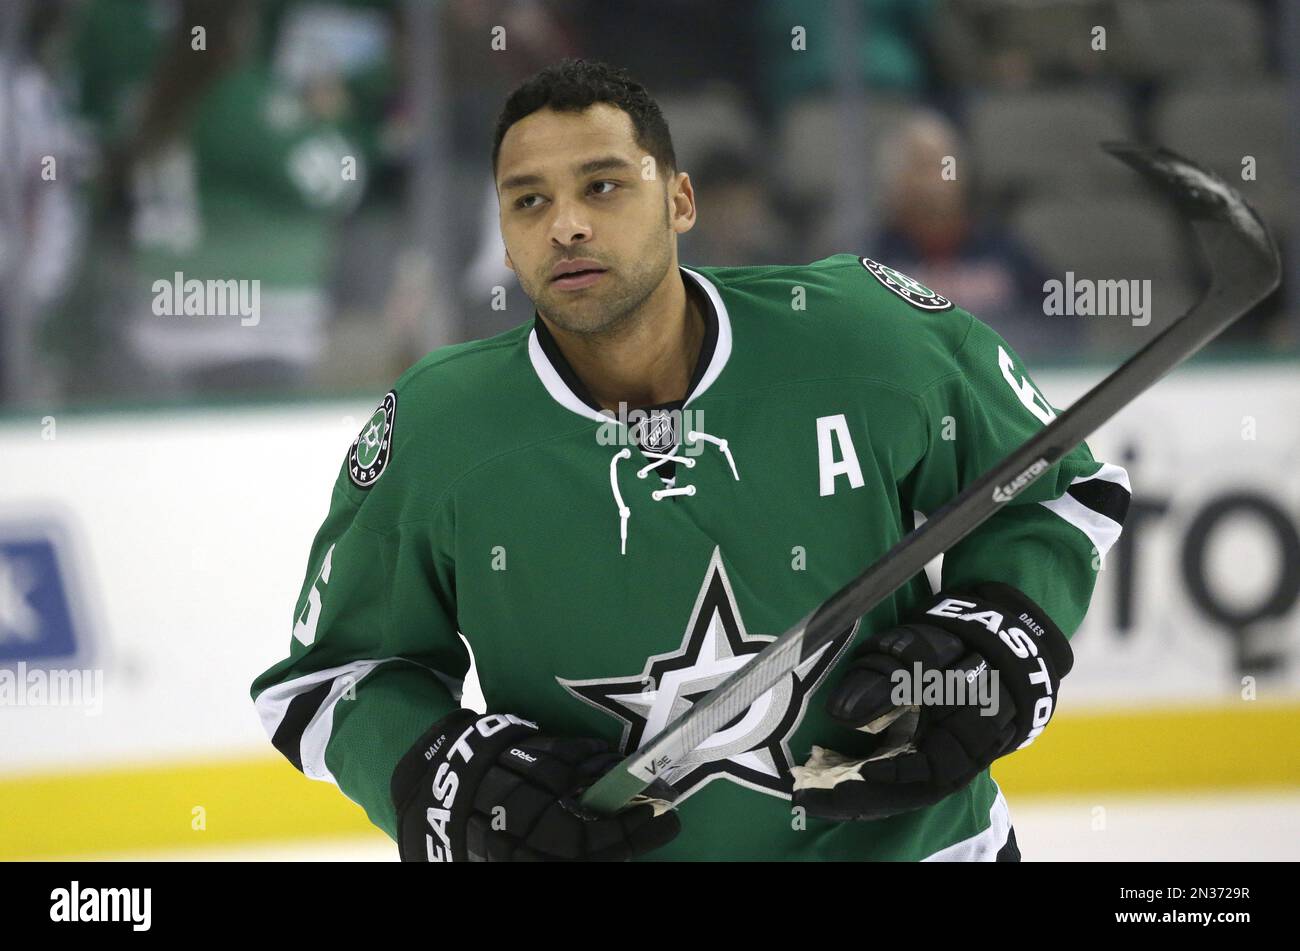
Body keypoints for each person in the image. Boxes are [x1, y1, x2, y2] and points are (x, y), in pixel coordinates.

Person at [251, 59, 1131, 861]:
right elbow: (334, 677)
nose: (565, 226)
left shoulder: (862, 338)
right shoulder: (444, 430)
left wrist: (998, 627)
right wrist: (450, 773)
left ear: (679, 201)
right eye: (528, 201)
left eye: (602, 186)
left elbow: (1055, 488)